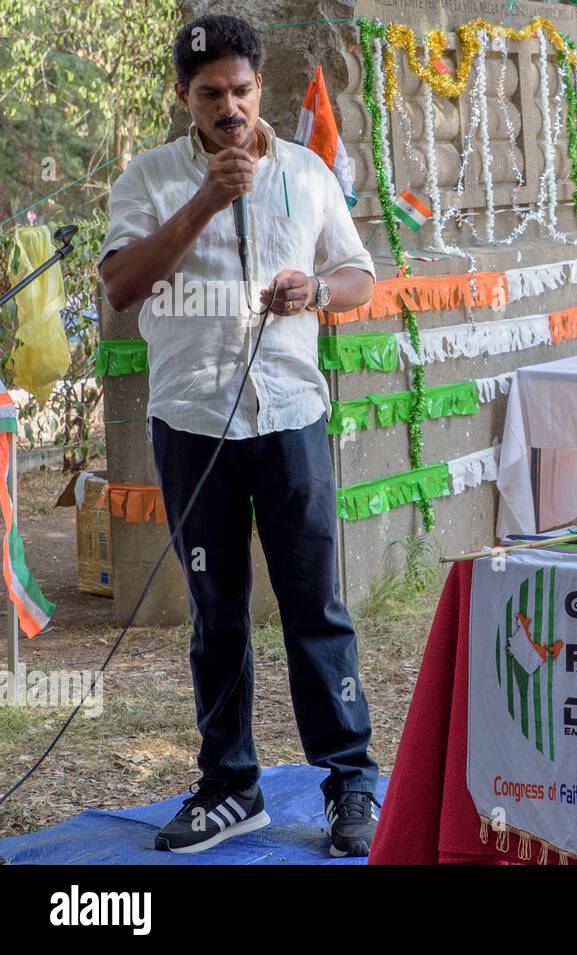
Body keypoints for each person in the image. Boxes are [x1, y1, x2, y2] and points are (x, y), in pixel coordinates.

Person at [98, 14, 380, 857]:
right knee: (215, 613)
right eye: (211, 93)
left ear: (263, 88)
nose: (229, 107)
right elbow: (122, 285)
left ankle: (350, 783)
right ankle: (231, 787)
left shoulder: (307, 173)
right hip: (193, 423)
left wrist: (318, 291)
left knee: (315, 608)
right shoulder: (148, 179)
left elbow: (360, 274)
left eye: (242, 90)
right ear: (183, 96)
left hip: (291, 414)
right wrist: (205, 200)